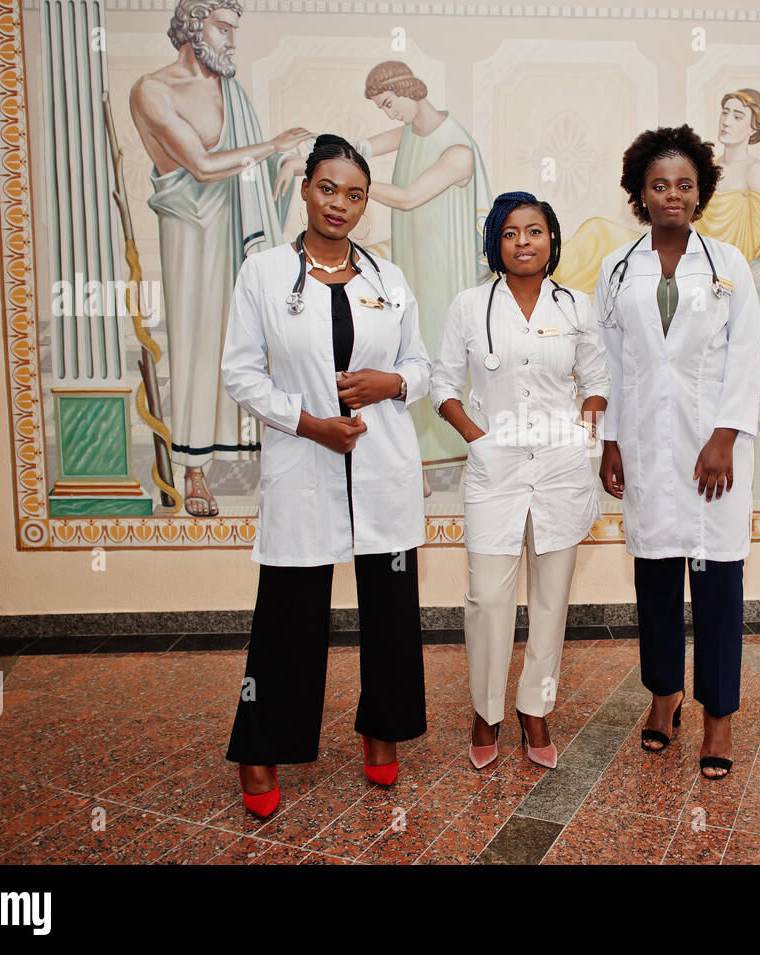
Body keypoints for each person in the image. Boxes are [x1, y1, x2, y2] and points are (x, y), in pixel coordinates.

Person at [220, 135, 431, 813]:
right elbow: (240, 374)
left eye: (355, 193)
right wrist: (312, 422)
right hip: (305, 464)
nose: (340, 203)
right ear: (306, 190)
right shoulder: (262, 273)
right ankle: (261, 747)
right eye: (327, 188)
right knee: (288, 614)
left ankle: (382, 729)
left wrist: (390, 379)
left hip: (382, 467)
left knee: (392, 614)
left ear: (366, 203)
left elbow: (424, 369)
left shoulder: (387, 280)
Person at [595, 126, 760, 780]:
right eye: (659, 184)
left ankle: (718, 714)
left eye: (684, 185)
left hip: (713, 449)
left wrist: (723, 436)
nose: (672, 195)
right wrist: (609, 438)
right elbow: (610, 358)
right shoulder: (618, 268)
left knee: (718, 583)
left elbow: (745, 355)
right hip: (644, 444)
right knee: (657, 579)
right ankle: (664, 696)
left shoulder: (728, 266)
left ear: (701, 192)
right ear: (641, 191)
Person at [431, 192, 609, 771]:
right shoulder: (468, 305)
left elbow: (599, 379)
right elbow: (442, 385)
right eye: (511, 233)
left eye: (535, 231)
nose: (523, 242)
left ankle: (537, 707)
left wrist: (585, 436)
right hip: (494, 469)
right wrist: (477, 440)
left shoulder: (575, 306)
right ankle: (485, 711)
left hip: (559, 470)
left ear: (551, 239)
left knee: (552, 601)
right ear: (495, 243)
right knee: (487, 597)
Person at [130, 0, 311, 516]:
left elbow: (248, 159)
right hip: (191, 231)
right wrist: (271, 143)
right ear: (193, 26)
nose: (232, 40)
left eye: (235, 29)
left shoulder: (228, 88)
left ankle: (255, 454)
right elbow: (206, 167)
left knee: (251, 337)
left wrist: (283, 160)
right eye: (224, 28)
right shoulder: (153, 90)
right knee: (197, 345)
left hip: (235, 227)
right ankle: (193, 471)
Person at [358, 60, 494, 470]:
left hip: (444, 269)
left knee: (438, 347)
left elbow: (407, 197)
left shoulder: (457, 150)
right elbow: (360, 147)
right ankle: (415, 454)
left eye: (389, 102)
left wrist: (352, 183)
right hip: (413, 266)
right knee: (411, 347)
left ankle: (445, 449)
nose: (389, 112)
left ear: (408, 89)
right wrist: (314, 157)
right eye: (382, 107)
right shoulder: (410, 133)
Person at [700, 89, 760, 341]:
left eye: (737, 116)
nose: (726, 121)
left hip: (724, 269)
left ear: (753, 130)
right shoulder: (709, 168)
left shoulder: (754, 170)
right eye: (725, 113)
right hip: (696, 260)